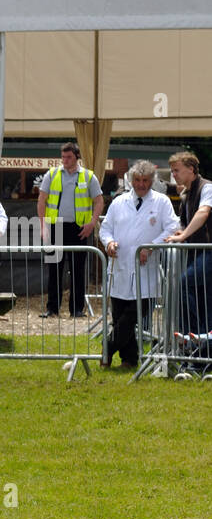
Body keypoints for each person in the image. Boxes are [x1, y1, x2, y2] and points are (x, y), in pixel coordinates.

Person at [99, 161, 179, 368]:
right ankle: (129, 359)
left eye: (145, 181)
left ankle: (106, 351)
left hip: (146, 271)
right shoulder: (119, 202)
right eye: (137, 180)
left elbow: (172, 228)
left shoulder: (161, 202)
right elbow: (105, 228)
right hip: (120, 268)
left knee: (130, 317)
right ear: (131, 181)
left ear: (152, 181)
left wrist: (151, 246)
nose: (141, 185)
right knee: (118, 317)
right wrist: (109, 243)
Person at [37, 141, 103, 318]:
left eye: (69, 157)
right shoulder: (51, 174)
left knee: (78, 270)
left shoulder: (89, 177)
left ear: (77, 157)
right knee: (54, 269)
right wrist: (43, 226)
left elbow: (99, 201)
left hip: (79, 229)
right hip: (55, 227)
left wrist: (92, 223)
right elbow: (41, 200)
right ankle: (52, 309)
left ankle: (77, 309)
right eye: (63, 157)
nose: (65, 160)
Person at [164, 151, 212, 339]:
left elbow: (203, 213)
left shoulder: (207, 188)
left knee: (185, 285)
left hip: (208, 251)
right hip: (197, 253)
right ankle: (200, 344)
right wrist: (181, 232)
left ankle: (191, 335)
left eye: (177, 170)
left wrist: (183, 234)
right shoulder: (186, 195)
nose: (173, 175)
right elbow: (187, 222)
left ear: (191, 169)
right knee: (204, 298)